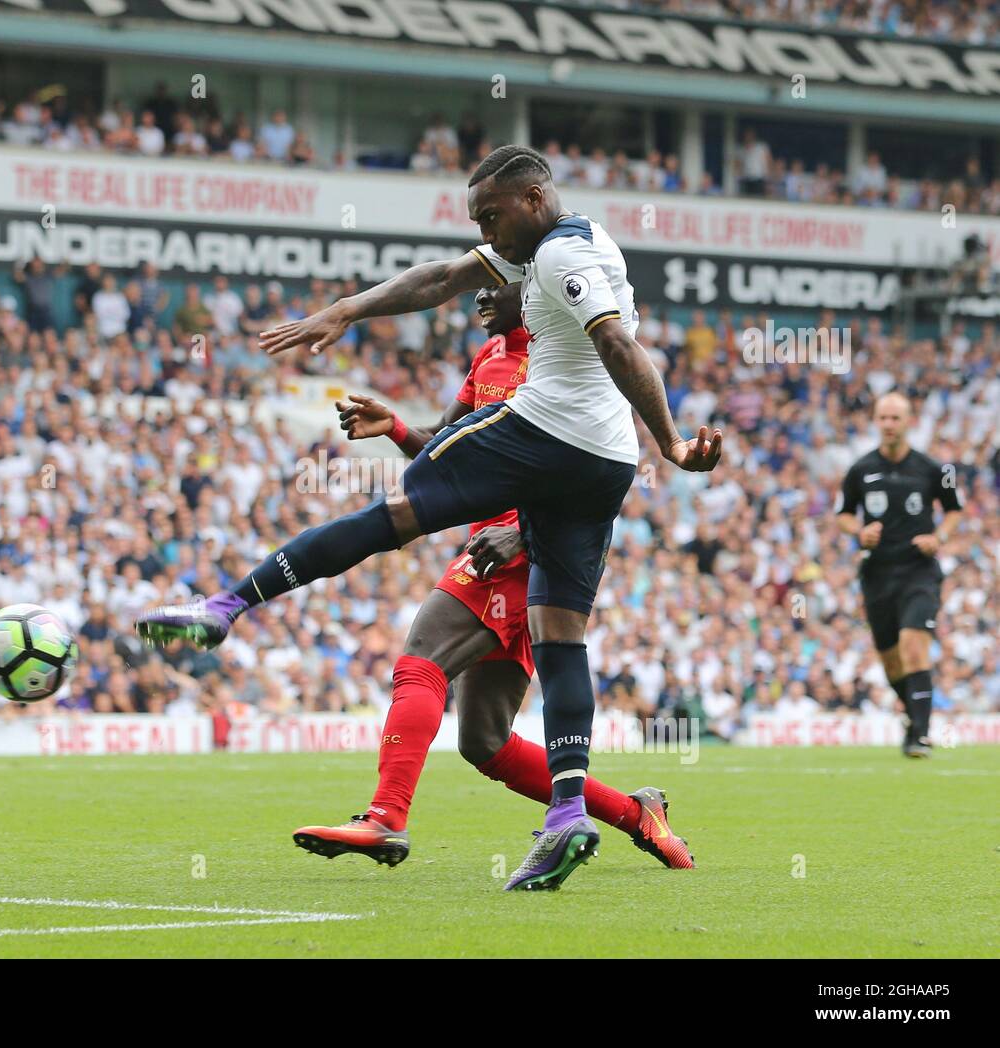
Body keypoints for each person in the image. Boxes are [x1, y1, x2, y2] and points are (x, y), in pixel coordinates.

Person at [136, 144, 721, 891]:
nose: (486, 240)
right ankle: (575, 811)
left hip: (551, 444)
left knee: (397, 518)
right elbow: (443, 280)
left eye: (491, 216)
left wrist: (670, 440)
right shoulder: (549, 269)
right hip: (599, 460)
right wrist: (353, 315)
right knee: (538, 664)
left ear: (534, 198)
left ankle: (229, 608)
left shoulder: (557, 260)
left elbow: (615, 342)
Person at [290, 282, 694, 870]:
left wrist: (525, 537)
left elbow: (598, 475)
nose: (478, 294)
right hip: (493, 547)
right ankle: (638, 815)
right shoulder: (489, 358)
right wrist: (399, 429)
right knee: (484, 740)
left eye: (491, 283)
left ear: (529, 291)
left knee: (422, 657)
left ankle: (384, 817)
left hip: (528, 552)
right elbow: (453, 455)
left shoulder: (568, 360)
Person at [837, 392, 961, 757]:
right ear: (875, 421)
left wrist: (939, 537)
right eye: (883, 418)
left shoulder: (932, 469)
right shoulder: (860, 470)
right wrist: (857, 532)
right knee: (891, 660)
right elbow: (843, 513)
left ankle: (920, 734)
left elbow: (954, 510)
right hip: (877, 574)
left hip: (918, 572)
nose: (889, 424)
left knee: (913, 646)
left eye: (896, 418)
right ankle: (913, 720)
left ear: (910, 421)